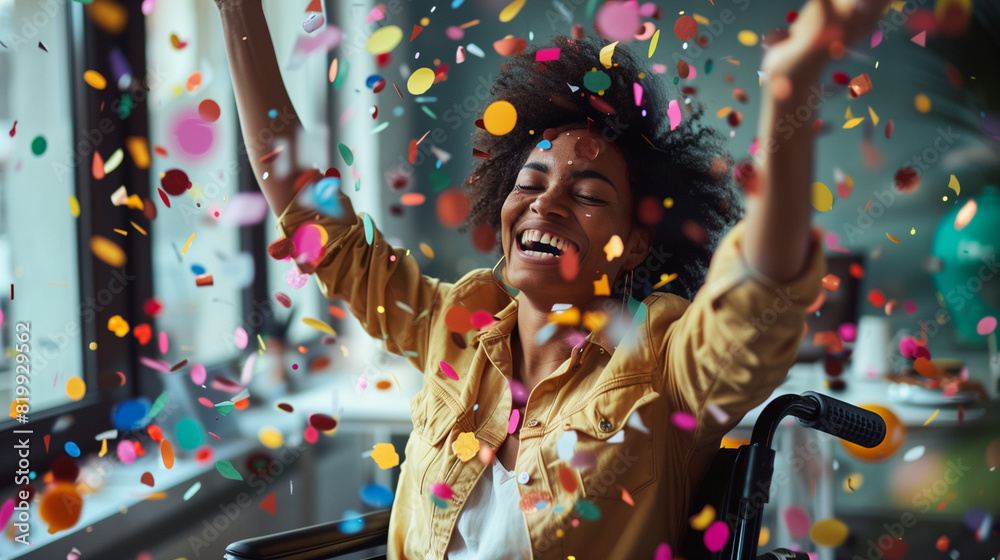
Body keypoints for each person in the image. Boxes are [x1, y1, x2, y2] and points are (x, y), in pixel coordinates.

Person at [214, 0, 892, 557]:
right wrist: (238, 10)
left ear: (634, 246)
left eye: (589, 193)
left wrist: (789, 86)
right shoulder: (455, 325)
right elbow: (307, 203)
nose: (544, 203)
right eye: (529, 182)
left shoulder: (663, 363)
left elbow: (760, 291)